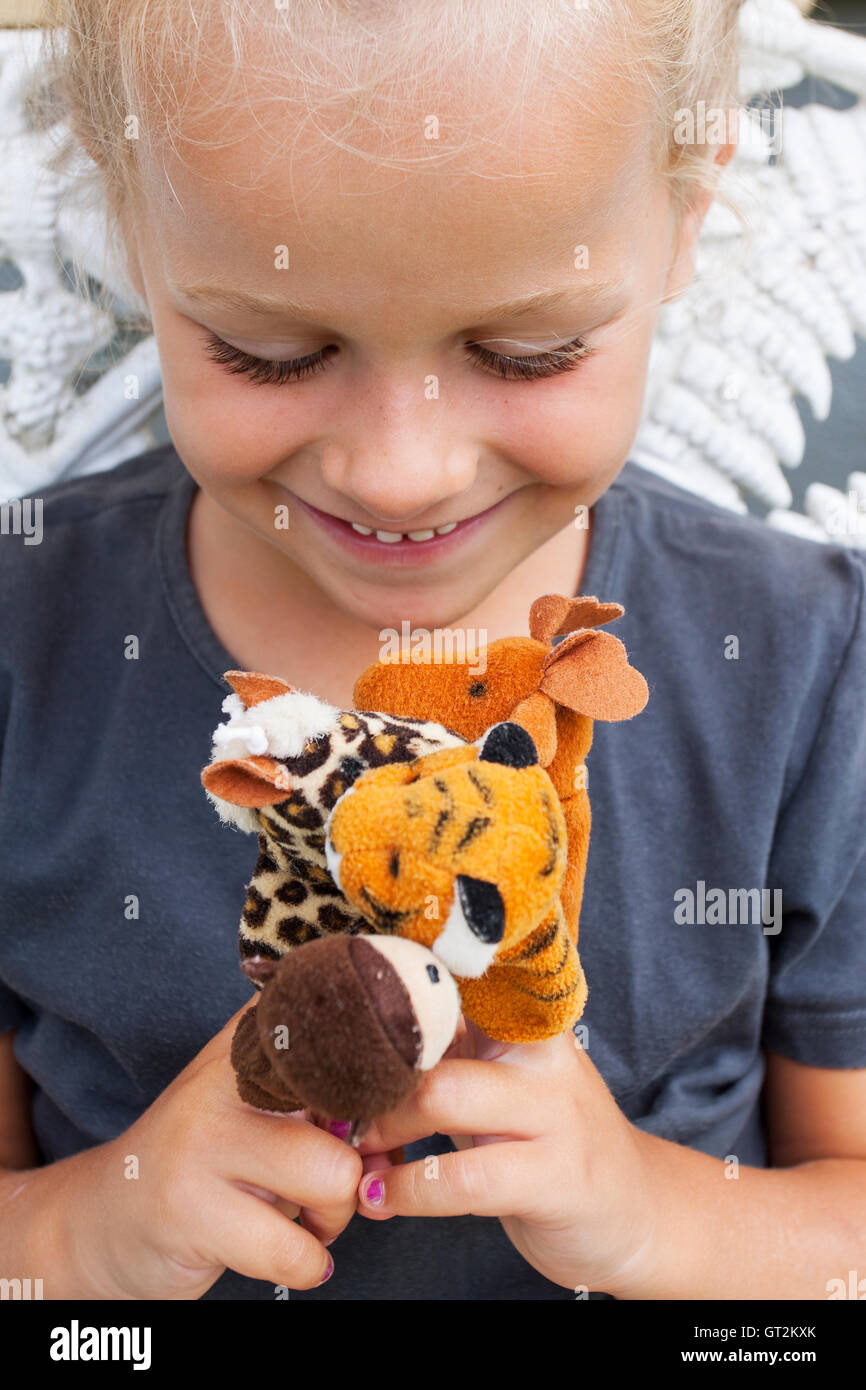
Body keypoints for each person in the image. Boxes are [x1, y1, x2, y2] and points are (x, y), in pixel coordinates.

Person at [0, 0, 863, 1301]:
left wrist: (652, 1214)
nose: (398, 470)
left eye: (525, 352)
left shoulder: (805, 668)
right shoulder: (29, 649)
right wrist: (84, 1233)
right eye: (270, 352)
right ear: (128, 224)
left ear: (685, 213)